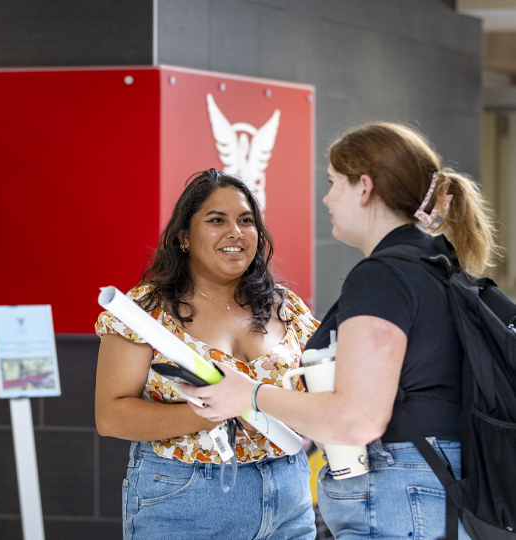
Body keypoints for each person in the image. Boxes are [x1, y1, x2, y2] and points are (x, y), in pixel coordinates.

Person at [184, 123, 498, 539]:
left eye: (333, 183)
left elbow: (356, 419)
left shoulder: (383, 276)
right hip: (435, 490)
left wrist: (250, 395)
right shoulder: (435, 265)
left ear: (364, 188)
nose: (327, 198)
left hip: (399, 498)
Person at [95, 168, 318, 539]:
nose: (235, 232)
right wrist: (211, 413)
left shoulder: (286, 308)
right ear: (184, 236)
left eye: (246, 221)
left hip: (288, 494)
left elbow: (320, 392)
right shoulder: (147, 310)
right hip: (186, 497)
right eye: (217, 220)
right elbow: (111, 415)